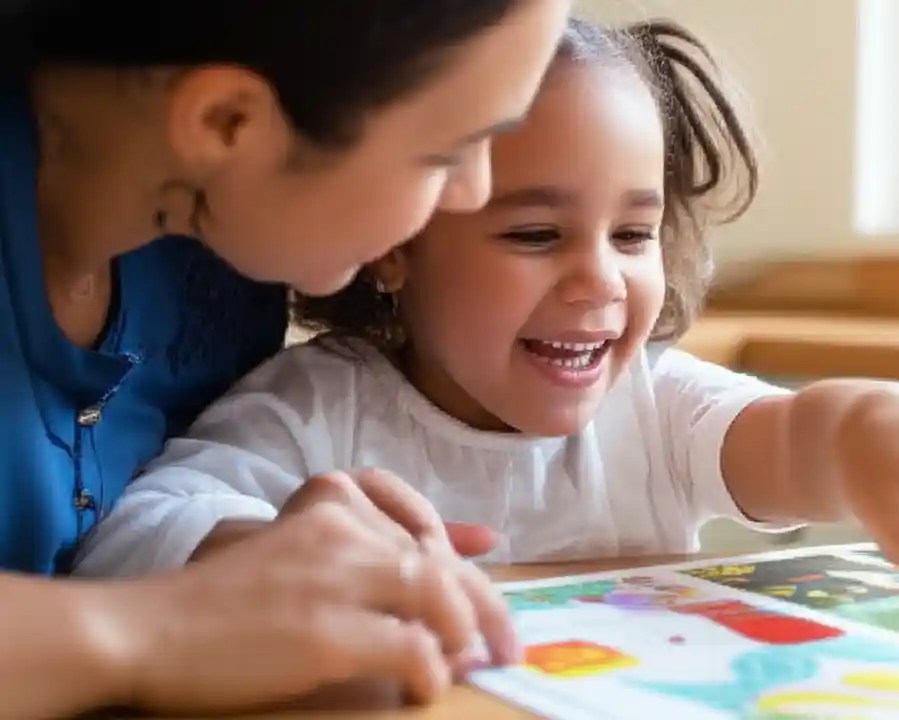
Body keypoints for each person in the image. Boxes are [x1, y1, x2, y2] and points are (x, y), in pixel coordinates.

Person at [79, 16, 899, 650]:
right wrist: (260, 549)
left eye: (632, 234)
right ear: (396, 247)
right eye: (535, 234)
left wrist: (866, 434)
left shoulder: (656, 406)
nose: (599, 279)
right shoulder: (318, 410)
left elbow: (790, 443)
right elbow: (125, 541)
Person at [0, 0, 570, 716]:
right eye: (445, 154)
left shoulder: (220, 279)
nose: (473, 194)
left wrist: (230, 552)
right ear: (225, 122)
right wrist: (161, 628)